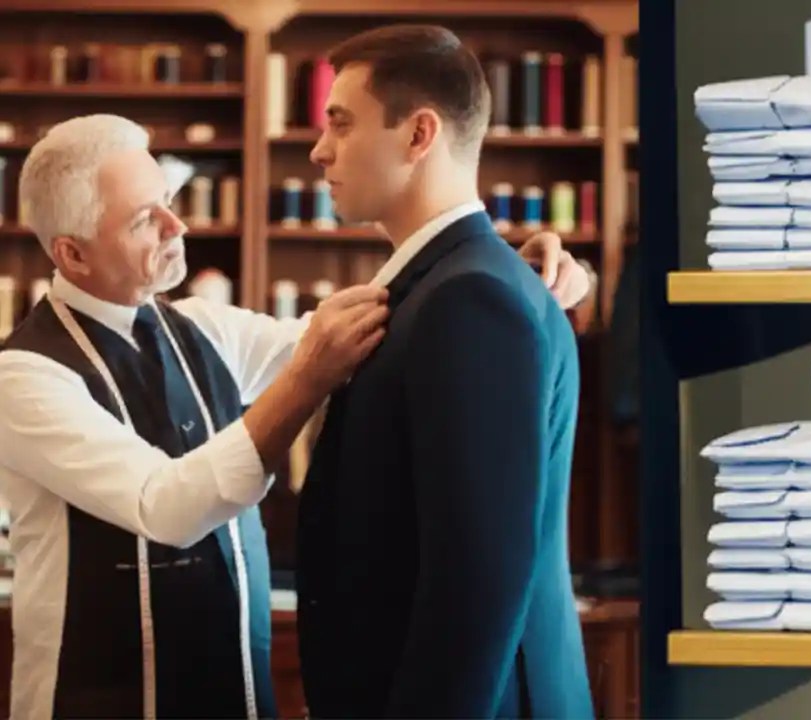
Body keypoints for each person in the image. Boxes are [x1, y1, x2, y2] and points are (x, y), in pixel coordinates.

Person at [0, 113, 591, 719]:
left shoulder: (204, 328)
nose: (178, 225)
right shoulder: (22, 377)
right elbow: (163, 505)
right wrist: (304, 382)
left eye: (169, 201)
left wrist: (505, 272)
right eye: (144, 219)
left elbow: (377, 329)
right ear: (71, 254)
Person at [295, 24, 593, 718]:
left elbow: (477, 580)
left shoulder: (468, 300)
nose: (319, 150)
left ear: (419, 134)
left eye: (341, 124)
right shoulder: (457, 286)